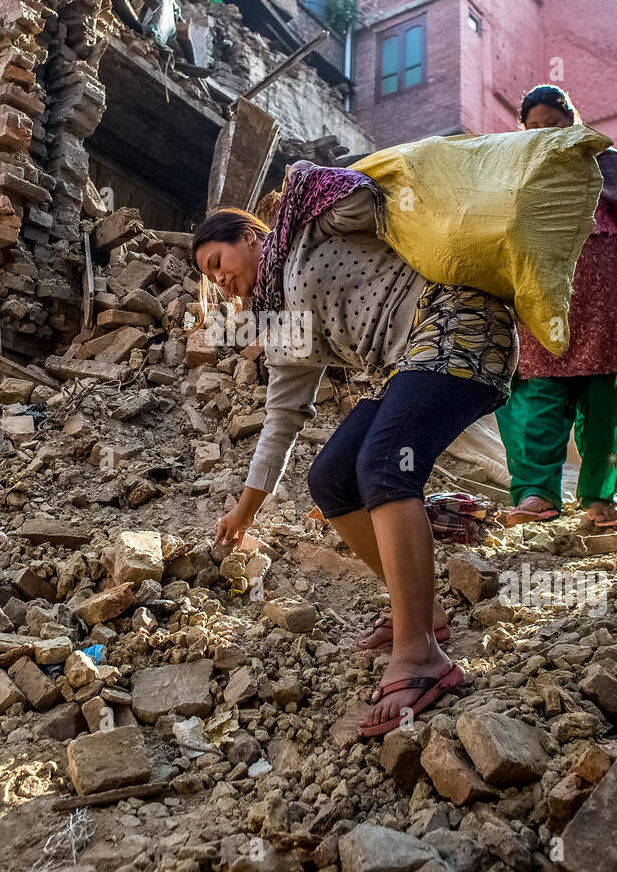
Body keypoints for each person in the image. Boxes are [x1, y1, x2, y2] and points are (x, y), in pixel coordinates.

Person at [191, 162, 518, 736]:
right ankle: (424, 616)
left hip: (459, 324)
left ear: (248, 237)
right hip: (408, 362)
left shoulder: (310, 230)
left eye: (217, 263)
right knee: (333, 478)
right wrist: (246, 508)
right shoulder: (280, 321)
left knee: (385, 466)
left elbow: (373, 199)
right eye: (209, 278)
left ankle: (420, 656)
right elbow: (282, 417)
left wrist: (309, 184)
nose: (219, 281)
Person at [496, 84, 617, 528]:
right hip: (541, 301)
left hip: (607, 301)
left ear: (572, 121)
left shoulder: (604, 161)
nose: (545, 133)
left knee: (607, 397)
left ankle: (600, 499)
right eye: (534, 126)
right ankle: (536, 495)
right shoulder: (512, 170)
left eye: (553, 124)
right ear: (522, 129)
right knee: (540, 393)